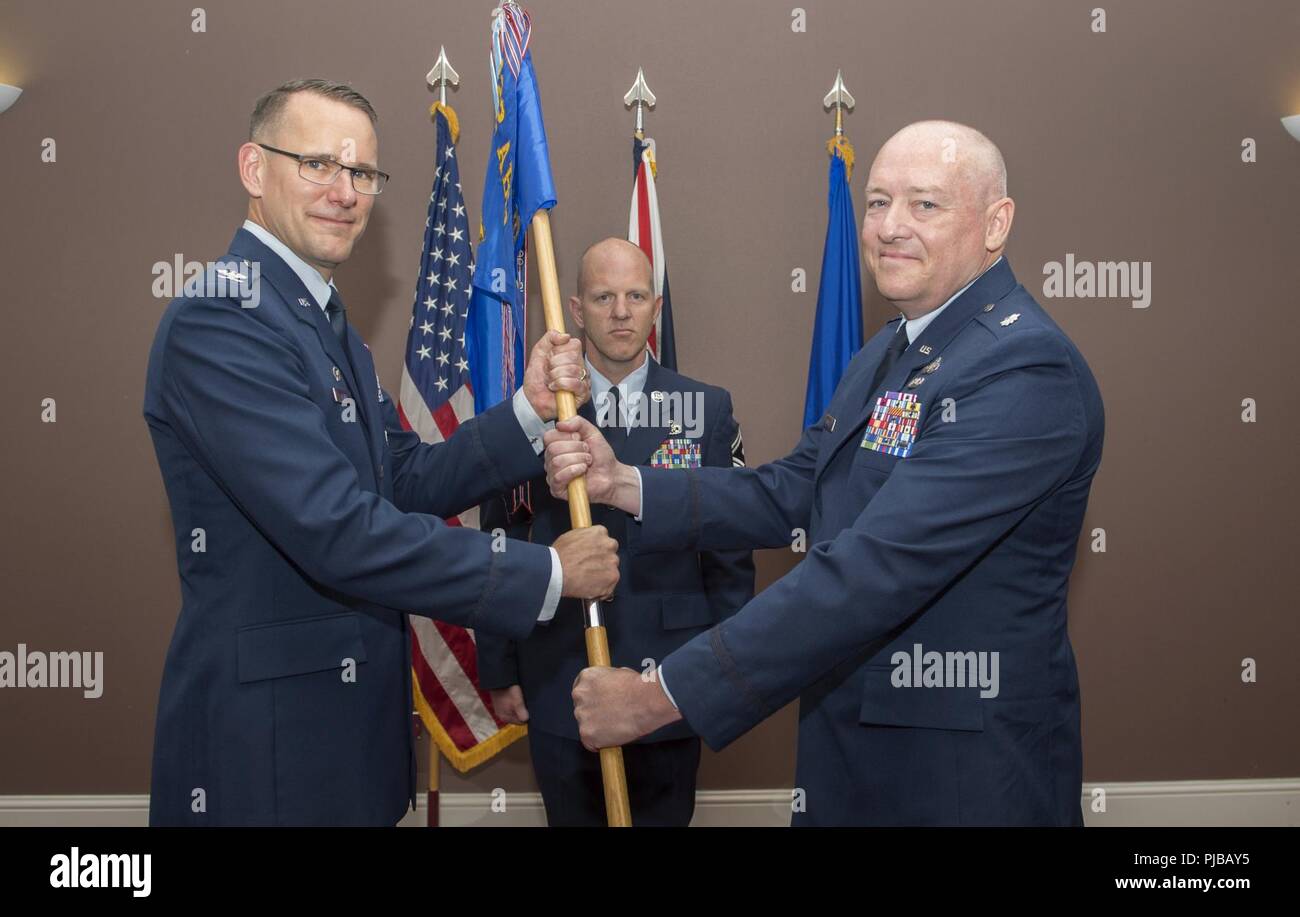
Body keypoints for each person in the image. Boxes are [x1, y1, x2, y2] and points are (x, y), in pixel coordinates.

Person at [546, 121, 1105, 826]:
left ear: (996, 224)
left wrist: (660, 694)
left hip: (958, 777)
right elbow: (795, 489)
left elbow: (872, 570)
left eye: (923, 204)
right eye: (876, 203)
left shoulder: (1024, 370)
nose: (890, 227)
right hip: (851, 750)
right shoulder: (887, 353)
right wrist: (622, 480)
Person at [142, 79, 619, 826]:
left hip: (348, 745)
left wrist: (525, 412)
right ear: (252, 168)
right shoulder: (222, 322)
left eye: (362, 173)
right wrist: (550, 571)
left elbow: (403, 477)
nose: (345, 191)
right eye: (318, 164)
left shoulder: (326, 325)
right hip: (269, 755)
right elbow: (338, 529)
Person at [477, 239, 754, 826]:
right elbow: (499, 541)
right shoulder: (537, 412)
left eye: (635, 296)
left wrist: (729, 670)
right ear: (576, 310)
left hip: (672, 674)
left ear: (656, 306)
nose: (621, 312)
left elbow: (729, 552)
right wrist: (499, 669)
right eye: (604, 297)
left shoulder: (705, 409)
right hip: (560, 672)